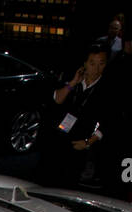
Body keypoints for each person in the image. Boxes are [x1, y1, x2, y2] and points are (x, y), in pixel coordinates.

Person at [44, 44, 119, 189]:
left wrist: (88, 142)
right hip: (57, 137)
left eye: (101, 63)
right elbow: (57, 100)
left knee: (68, 184)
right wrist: (73, 83)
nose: (96, 69)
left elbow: (109, 122)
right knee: (48, 180)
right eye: (92, 63)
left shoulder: (108, 88)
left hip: (79, 142)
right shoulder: (73, 78)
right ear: (85, 63)